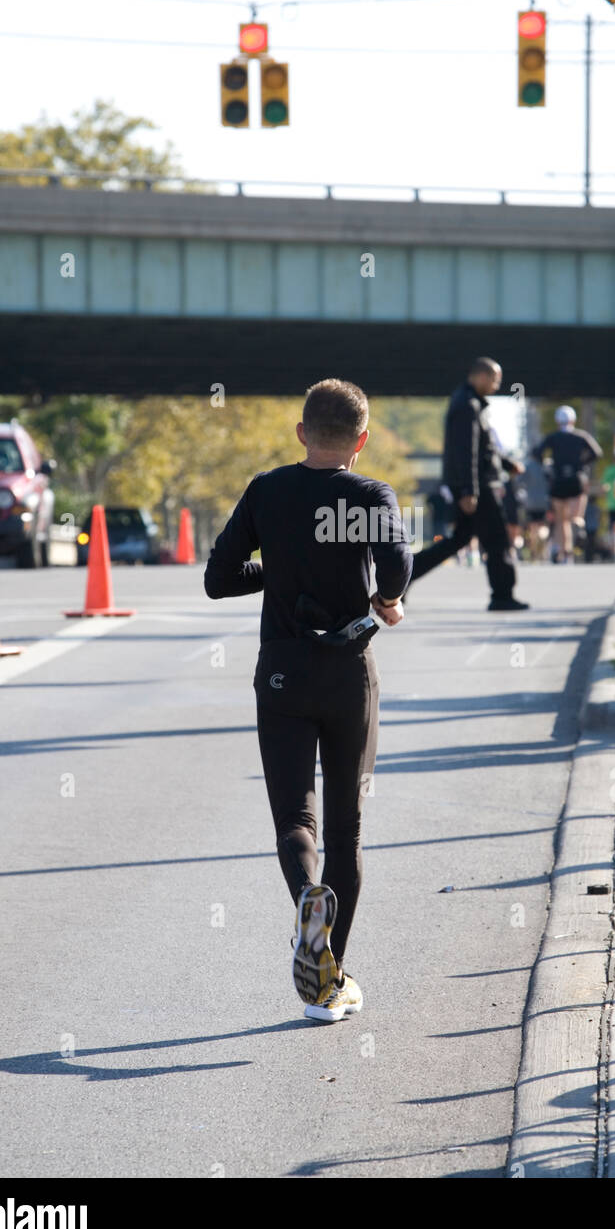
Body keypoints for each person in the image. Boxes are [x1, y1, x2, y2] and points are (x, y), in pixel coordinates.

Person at [204, 379, 411, 1022]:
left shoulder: (267, 490)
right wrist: (385, 601)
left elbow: (218, 580)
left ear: (301, 433)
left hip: (282, 676)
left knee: (296, 819)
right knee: (346, 828)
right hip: (348, 672)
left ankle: (305, 896)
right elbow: (397, 567)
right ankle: (328, 984)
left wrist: (282, 567)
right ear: (362, 439)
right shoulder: (372, 495)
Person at [407, 357, 529, 610]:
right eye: (495, 380)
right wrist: (468, 491)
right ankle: (502, 595)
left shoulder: (470, 403)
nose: (497, 386)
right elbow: (466, 453)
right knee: (497, 540)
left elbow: (483, 448)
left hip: (475, 485)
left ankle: (404, 575)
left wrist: (506, 464)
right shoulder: (467, 406)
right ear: (481, 377)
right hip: (480, 488)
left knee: (458, 540)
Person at [532, 406, 602, 564]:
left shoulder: (553, 437)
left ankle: (563, 551)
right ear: (573, 420)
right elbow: (596, 453)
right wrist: (581, 463)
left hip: (558, 481)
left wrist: (547, 465)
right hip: (576, 479)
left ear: (557, 421)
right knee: (573, 516)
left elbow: (537, 453)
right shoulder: (580, 436)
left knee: (561, 520)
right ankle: (578, 528)